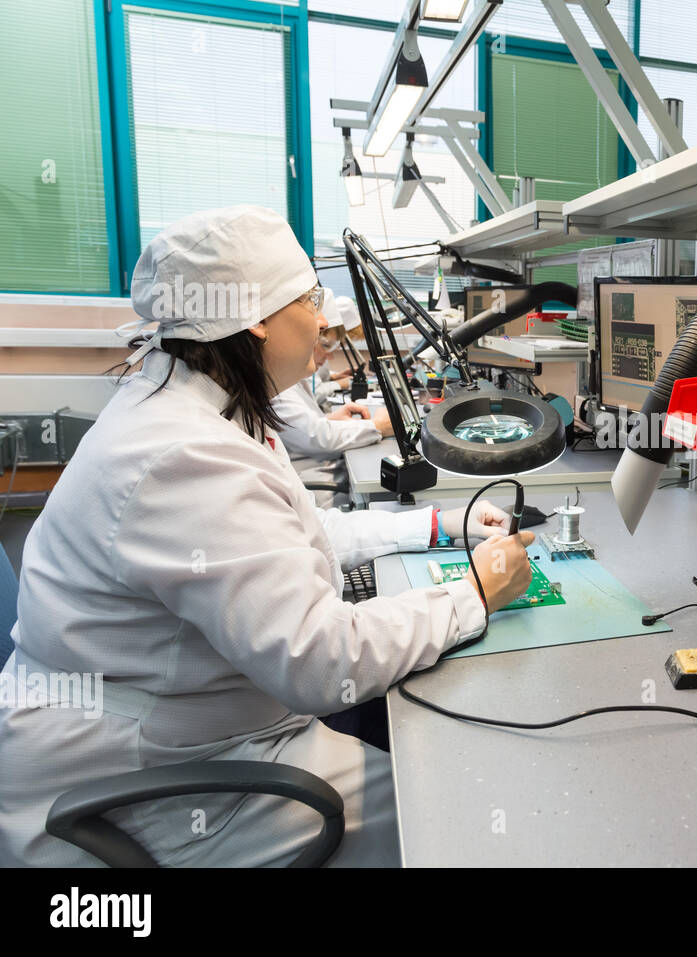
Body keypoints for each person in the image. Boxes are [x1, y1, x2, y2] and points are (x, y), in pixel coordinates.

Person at [0, 205, 535, 867]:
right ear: (254, 314)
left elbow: (291, 542)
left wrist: (436, 523)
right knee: (453, 807)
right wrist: (472, 594)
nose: (322, 320)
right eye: (309, 297)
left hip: (192, 732)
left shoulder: (203, 410)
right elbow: (323, 661)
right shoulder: (184, 454)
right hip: (147, 784)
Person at [273, 289, 388, 505]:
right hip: (316, 490)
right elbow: (316, 437)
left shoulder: (291, 381)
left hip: (322, 473)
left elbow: (307, 427)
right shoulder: (277, 388)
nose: (329, 355)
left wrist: (329, 421)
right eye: (323, 342)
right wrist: (379, 426)